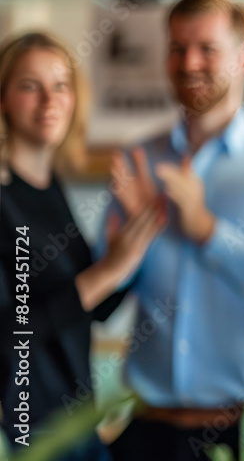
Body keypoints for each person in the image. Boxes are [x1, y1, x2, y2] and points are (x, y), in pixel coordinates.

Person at [102, 0, 244, 461]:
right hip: (148, 432)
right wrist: (136, 238)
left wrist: (208, 230)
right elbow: (107, 295)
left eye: (207, 49)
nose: (189, 64)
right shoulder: (138, 160)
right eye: (177, 48)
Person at [0, 32, 163, 460]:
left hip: (79, 421)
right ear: (2, 98)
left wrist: (132, 239)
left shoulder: (52, 189)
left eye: (61, 85)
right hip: (29, 430)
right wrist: (108, 270)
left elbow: (96, 310)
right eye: (29, 85)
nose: (48, 101)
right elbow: (13, 330)